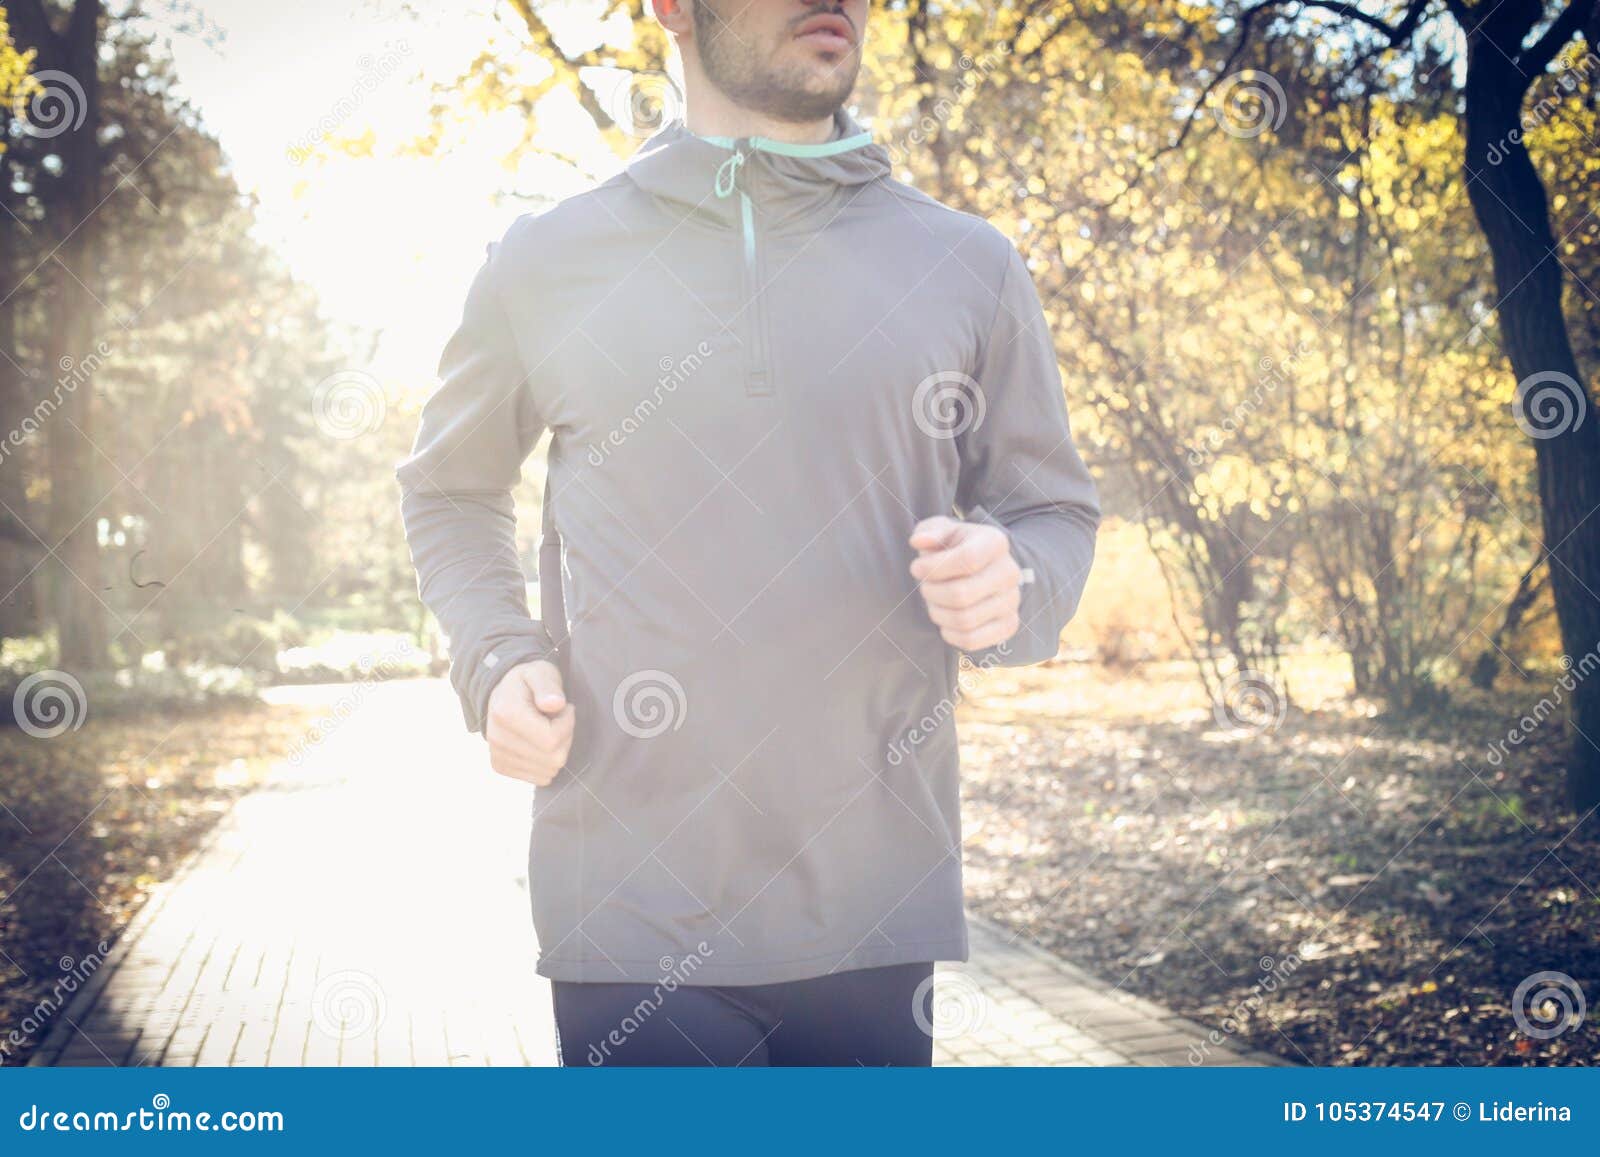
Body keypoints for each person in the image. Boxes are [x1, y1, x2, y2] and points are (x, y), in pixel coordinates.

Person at [395, 0, 1101, 1067]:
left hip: (874, 906)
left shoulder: (967, 261)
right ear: (671, 9)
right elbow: (448, 491)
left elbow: (1050, 509)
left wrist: (1018, 582)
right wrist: (496, 657)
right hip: (628, 908)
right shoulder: (546, 259)